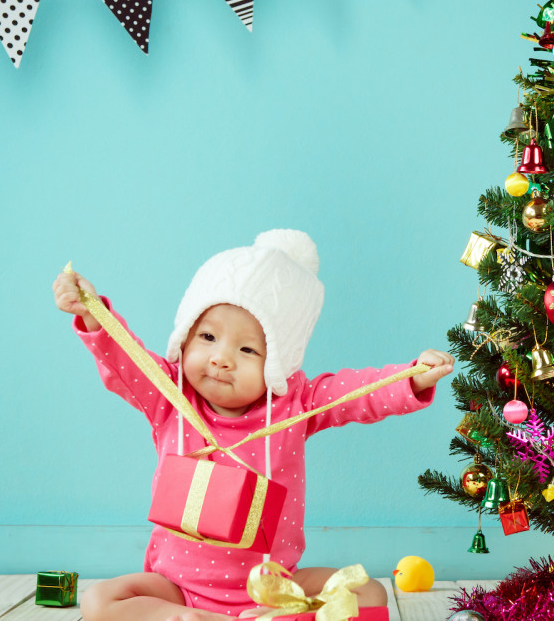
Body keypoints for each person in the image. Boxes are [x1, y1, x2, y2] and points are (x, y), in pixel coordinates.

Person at [52, 229, 454, 621]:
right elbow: (126, 358)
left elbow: (357, 393)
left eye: (247, 349)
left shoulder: (296, 405)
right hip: (177, 588)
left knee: (368, 591)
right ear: (185, 337)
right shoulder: (168, 396)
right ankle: (185, 618)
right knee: (100, 600)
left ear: (277, 361)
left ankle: (272, 617)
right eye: (207, 336)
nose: (221, 358)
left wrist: (412, 377)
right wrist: (92, 314)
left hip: (274, 589)